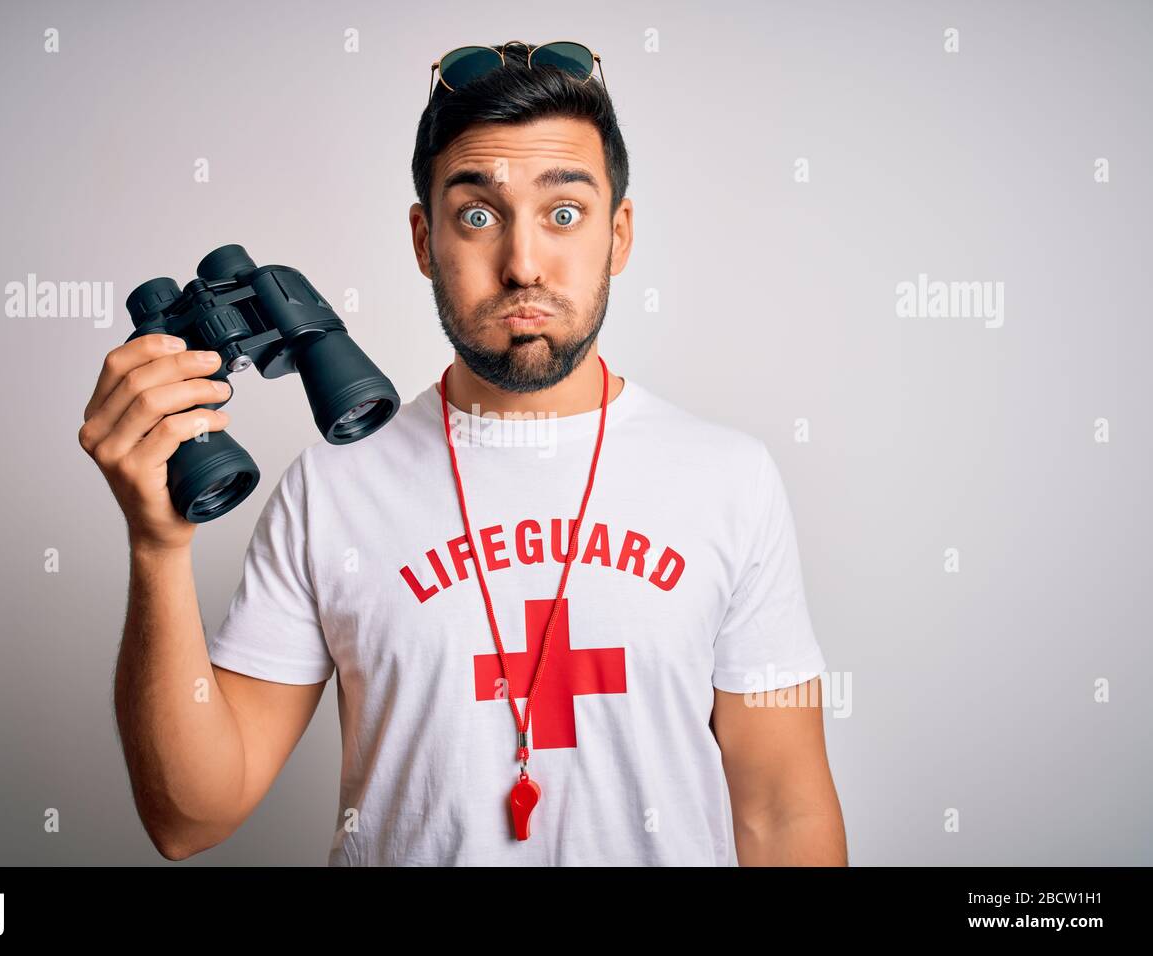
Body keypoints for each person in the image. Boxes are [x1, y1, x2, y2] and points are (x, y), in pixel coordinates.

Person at [78, 40, 846, 866]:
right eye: (477, 214)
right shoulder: (331, 489)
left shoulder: (728, 481)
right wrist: (157, 547)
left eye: (564, 214)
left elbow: (783, 813)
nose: (521, 264)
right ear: (422, 239)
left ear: (619, 236)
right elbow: (191, 817)